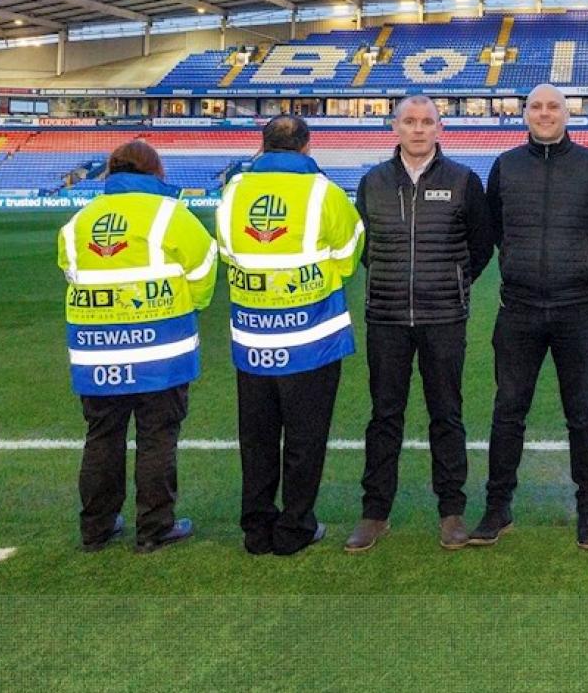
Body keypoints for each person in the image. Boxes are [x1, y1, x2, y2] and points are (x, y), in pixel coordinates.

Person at [473, 84, 588, 551]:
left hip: (576, 309)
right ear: (524, 114)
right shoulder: (504, 167)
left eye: (553, 106)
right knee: (508, 411)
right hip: (518, 308)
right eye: (536, 106)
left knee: (581, 413)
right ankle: (498, 508)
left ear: (567, 113)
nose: (544, 113)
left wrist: (579, 269)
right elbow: (495, 229)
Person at [346, 95, 494, 553]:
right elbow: (363, 247)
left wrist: (451, 283)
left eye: (426, 121)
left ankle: (451, 512)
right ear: (394, 127)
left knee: (446, 415)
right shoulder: (372, 182)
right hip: (387, 318)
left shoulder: (464, 181)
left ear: (439, 128)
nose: (417, 129)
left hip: (444, 317)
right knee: (384, 417)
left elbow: (482, 245)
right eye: (409, 121)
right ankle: (375, 514)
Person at [56, 139, 216, 554]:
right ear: (155, 171)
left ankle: (96, 527)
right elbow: (202, 266)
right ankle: (154, 528)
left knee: (102, 436)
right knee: (157, 437)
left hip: (97, 351)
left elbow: (69, 271)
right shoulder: (170, 215)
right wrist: (188, 303)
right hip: (159, 349)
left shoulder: (80, 220)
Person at [216, 115, 364, 556]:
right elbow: (347, 256)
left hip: (252, 338)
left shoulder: (234, 191)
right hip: (312, 338)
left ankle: (256, 528)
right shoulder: (325, 192)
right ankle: (295, 526)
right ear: (306, 145)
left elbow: (227, 252)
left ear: (262, 145)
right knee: (304, 437)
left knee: (257, 437)